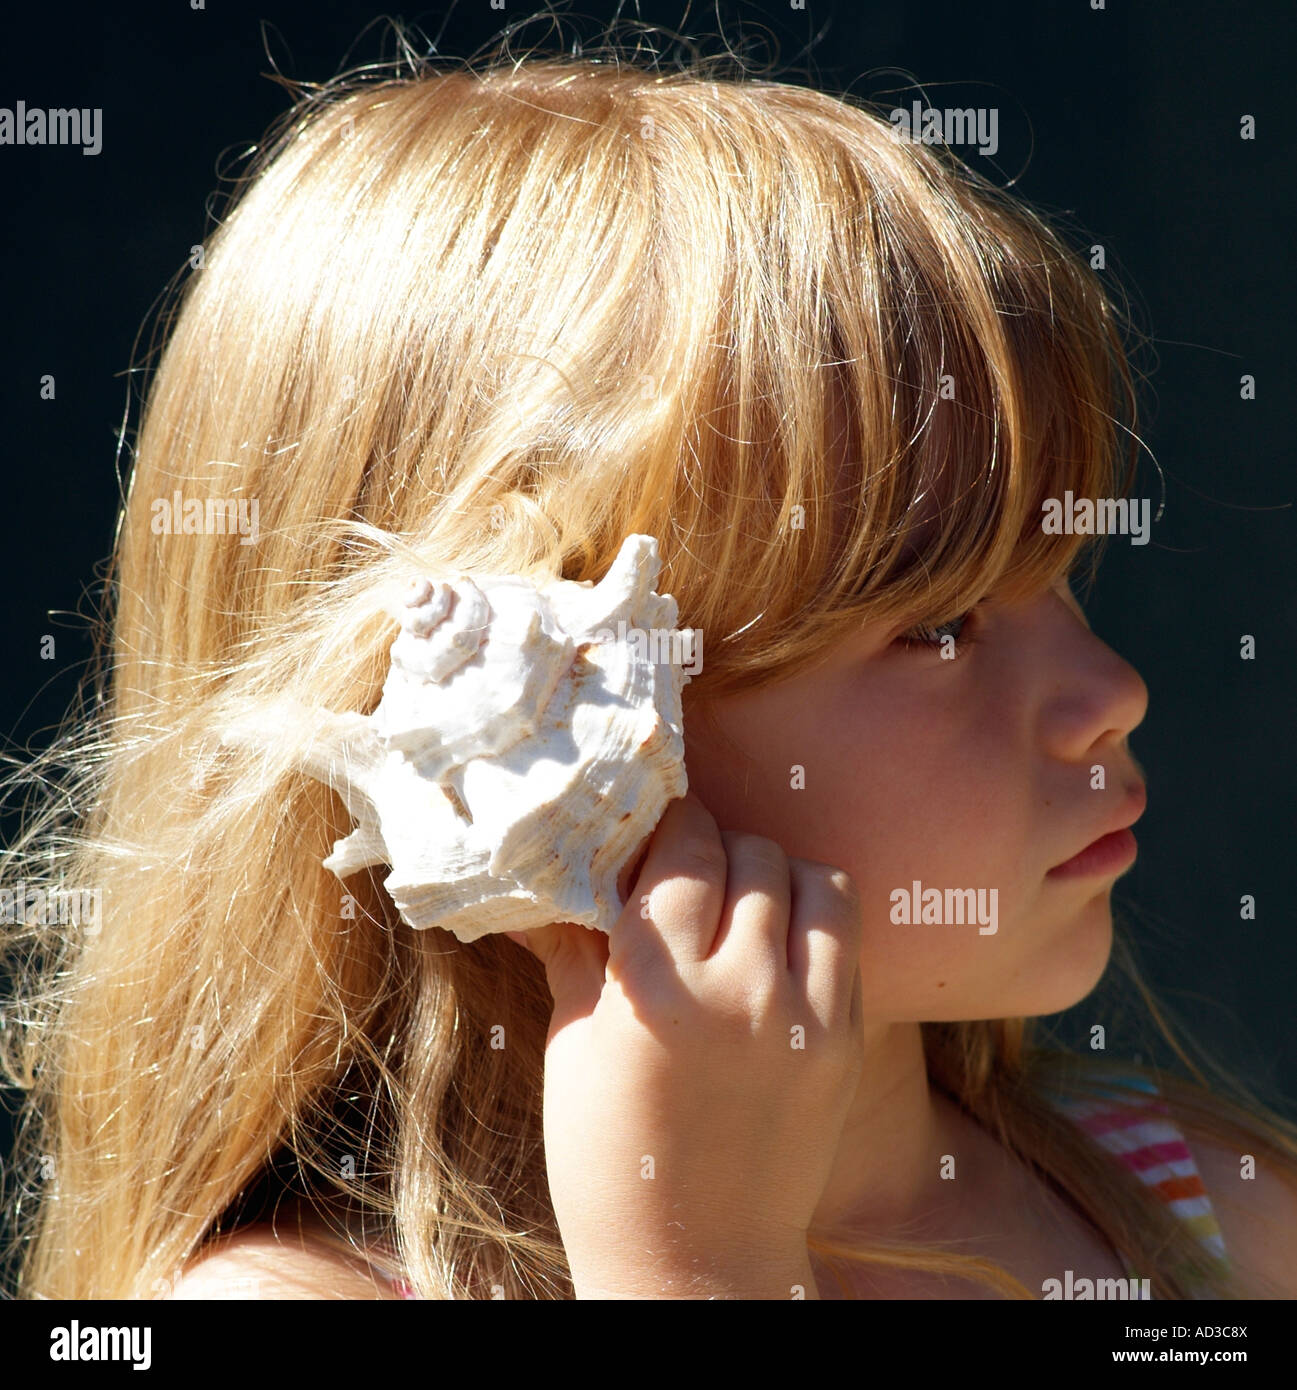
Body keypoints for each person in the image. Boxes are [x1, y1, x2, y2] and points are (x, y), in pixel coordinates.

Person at [3, 31, 1295, 1302]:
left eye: (1058, 580)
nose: (1108, 691)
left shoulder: (1209, 1213)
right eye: (937, 624)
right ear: (514, 724)